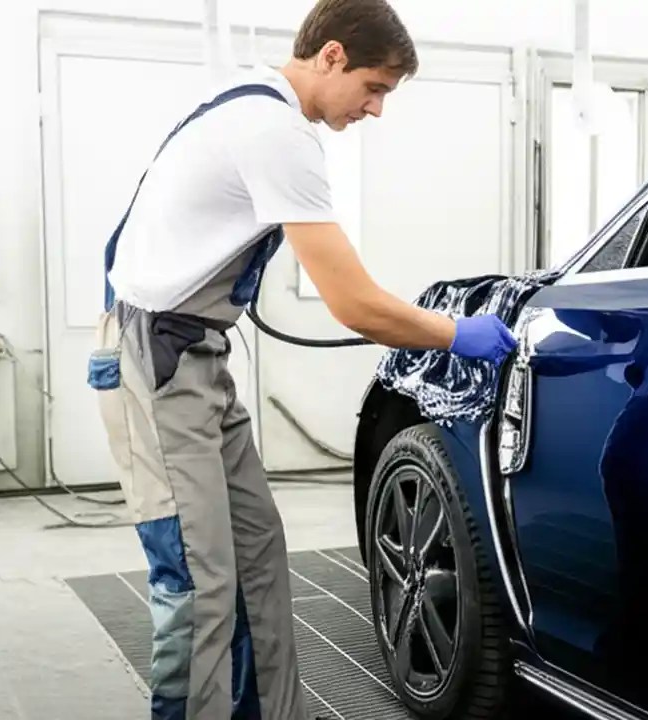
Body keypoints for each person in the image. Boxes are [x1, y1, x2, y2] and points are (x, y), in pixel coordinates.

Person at [89, 0, 516, 718]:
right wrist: (453, 332)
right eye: (375, 88)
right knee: (200, 585)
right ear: (332, 57)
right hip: (155, 360)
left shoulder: (248, 103)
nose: (376, 110)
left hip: (196, 353)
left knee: (258, 556)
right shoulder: (276, 131)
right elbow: (352, 304)